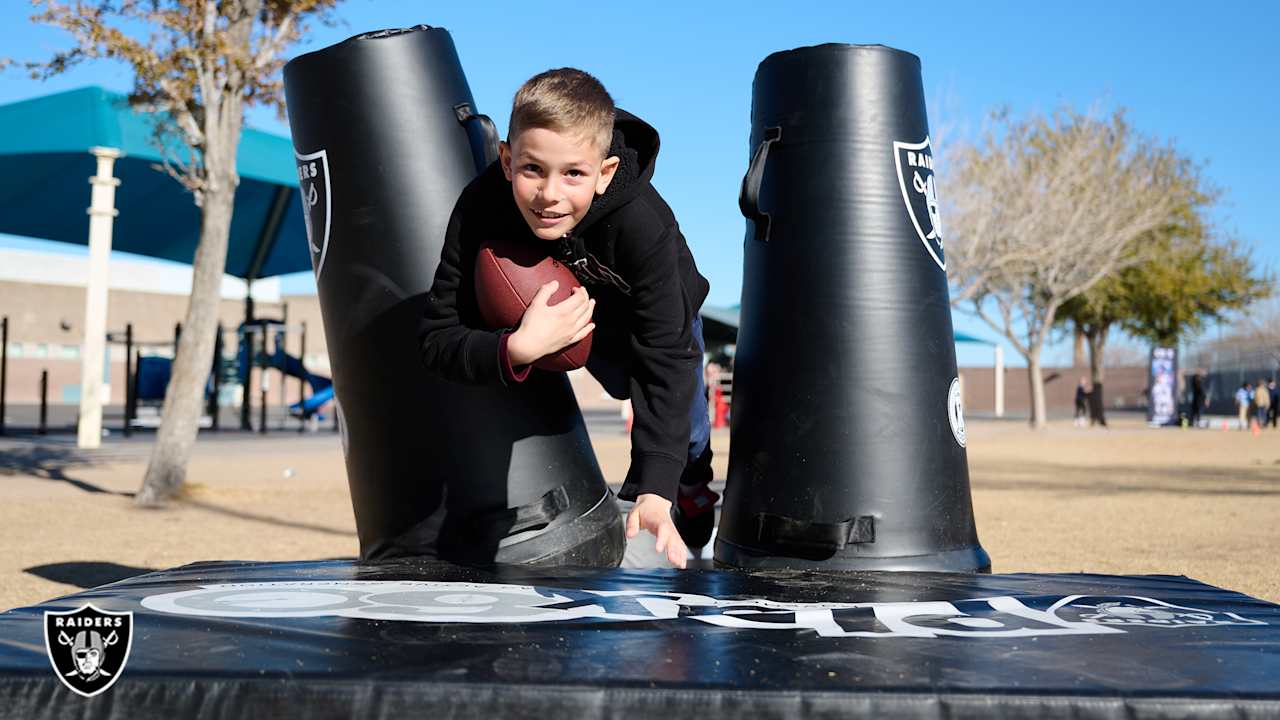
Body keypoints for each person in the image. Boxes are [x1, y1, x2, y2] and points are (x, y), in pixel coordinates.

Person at [420, 69, 712, 568]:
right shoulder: (480, 205)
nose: (550, 194)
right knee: (599, 379)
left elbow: (666, 355)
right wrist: (515, 349)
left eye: (573, 174)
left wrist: (655, 488)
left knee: (683, 430)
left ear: (604, 173)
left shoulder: (643, 223)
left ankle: (693, 482)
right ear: (507, 159)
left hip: (658, 322)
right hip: (568, 327)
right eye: (532, 169)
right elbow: (436, 337)